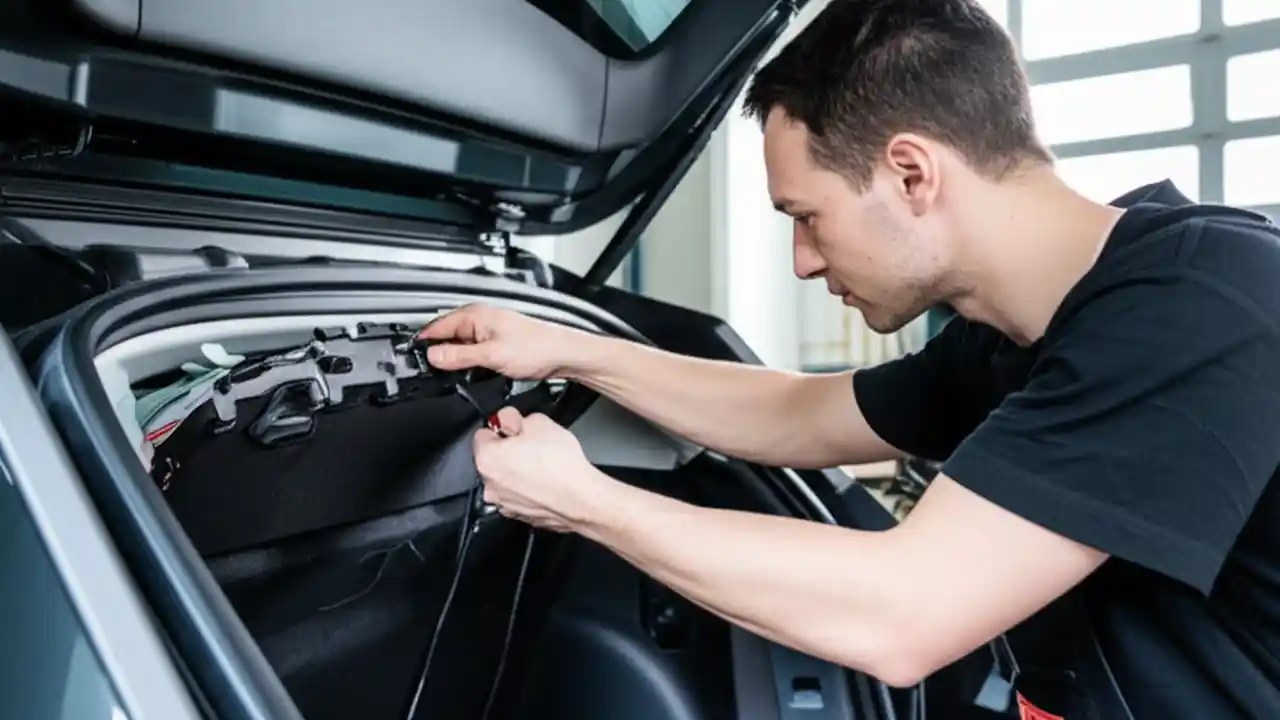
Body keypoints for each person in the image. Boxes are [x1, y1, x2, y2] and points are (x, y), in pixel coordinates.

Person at [420, 0, 1280, 716]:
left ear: (911, 174)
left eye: (807, 215)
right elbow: (799, 413)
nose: (802, 259)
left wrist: (586, 503)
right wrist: (571, 348)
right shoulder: (1024, 328)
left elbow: (903, 615)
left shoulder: (1197, 309)